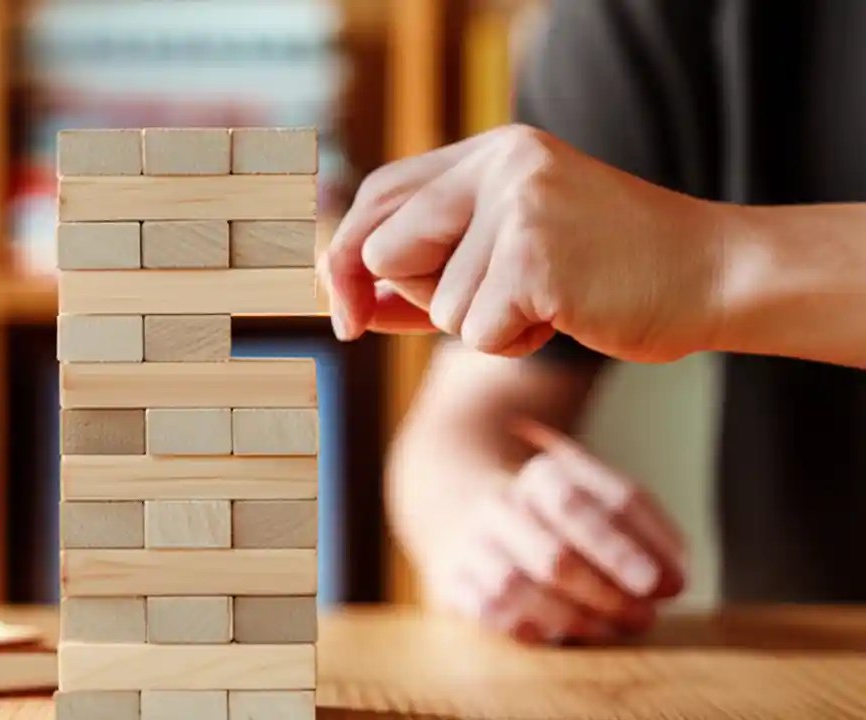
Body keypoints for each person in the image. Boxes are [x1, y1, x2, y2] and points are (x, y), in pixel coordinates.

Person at [321, 0, 866, 643]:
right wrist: (493, 526)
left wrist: (710, 261)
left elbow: (682, 260)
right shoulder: (643, 18)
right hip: (810, 662)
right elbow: (468, 420)